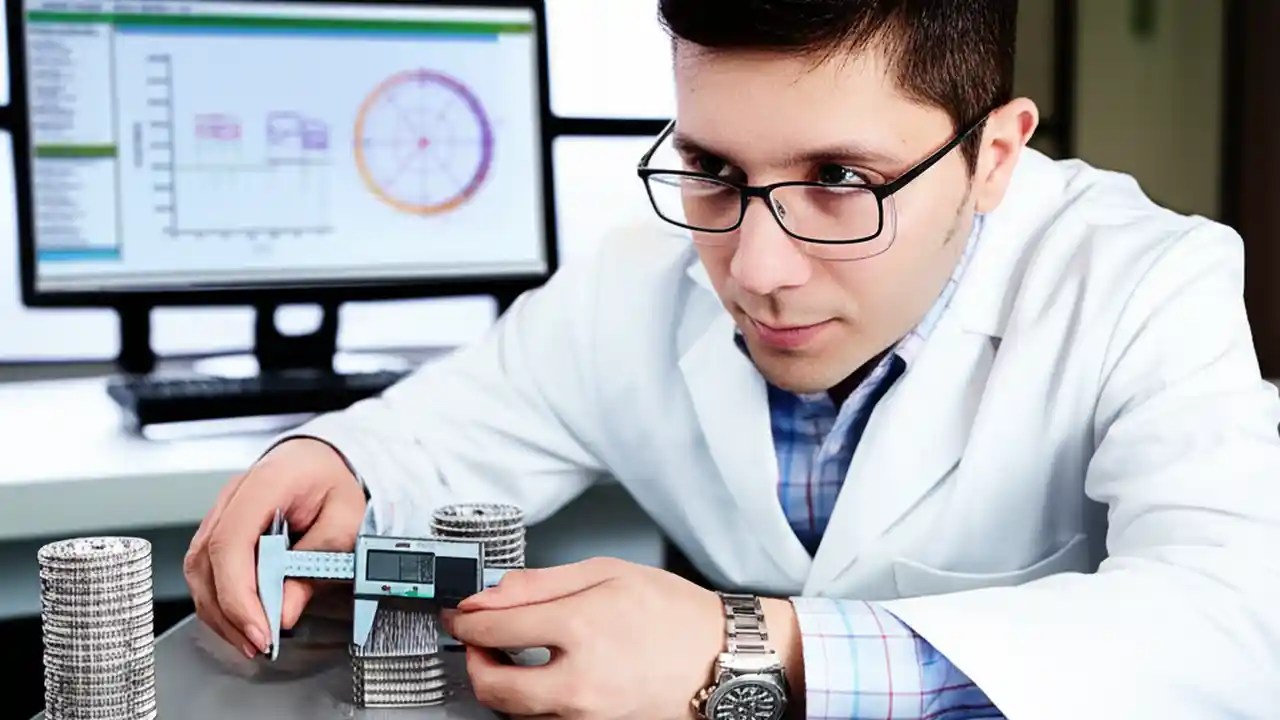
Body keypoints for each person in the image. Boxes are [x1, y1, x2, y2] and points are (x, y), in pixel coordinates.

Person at [183, 1, 1280, 718]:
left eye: (840, 181)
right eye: (711, 168)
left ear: (992, 155)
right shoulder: (638, 275)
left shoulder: (1146, 282)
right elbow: (443, 430)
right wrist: (331, 462)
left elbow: (1232, 631)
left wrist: (754, 647)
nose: (755, 269)